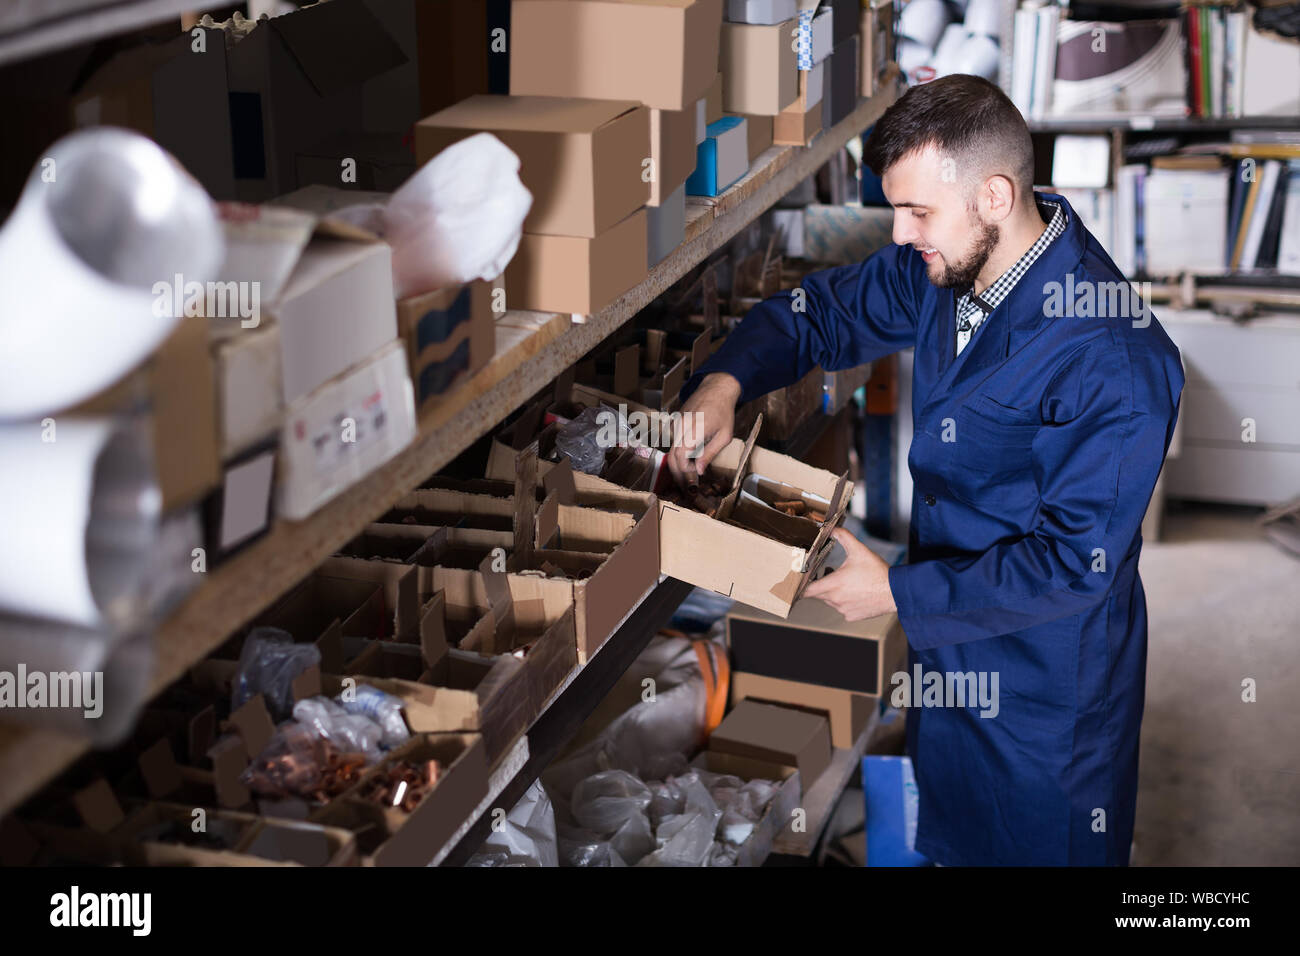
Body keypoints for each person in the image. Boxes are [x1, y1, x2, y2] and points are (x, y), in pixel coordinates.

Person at [668, 75, 1184, 866]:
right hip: (953, 649)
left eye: (918, 212)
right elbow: (826, 314)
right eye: (896, 210)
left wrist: (897, 591)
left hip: (1050, 691)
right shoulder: (948, 266)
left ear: (994, 195)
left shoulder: (1115, 356)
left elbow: (1074, 566)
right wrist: (724, 380)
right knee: (958, 841)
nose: (902, 235)